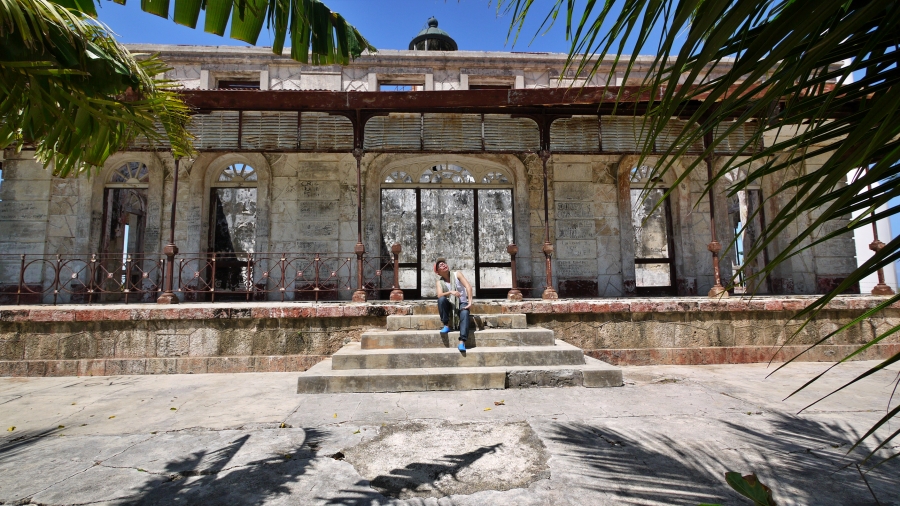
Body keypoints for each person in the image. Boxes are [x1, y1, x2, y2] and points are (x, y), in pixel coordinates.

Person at [434, 258, 473, 352]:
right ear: (438, 272)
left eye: (444, 263)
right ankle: (446, 325)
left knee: (464, 314)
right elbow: (439, 295)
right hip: (450, 305)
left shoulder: (457, 274)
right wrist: (450, 292)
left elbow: (468, 286)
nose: (443, 265)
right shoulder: (439, 282)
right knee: (441, 299)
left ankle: (462, 341)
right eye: (440, 265)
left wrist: (470, 302)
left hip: (462, 302)